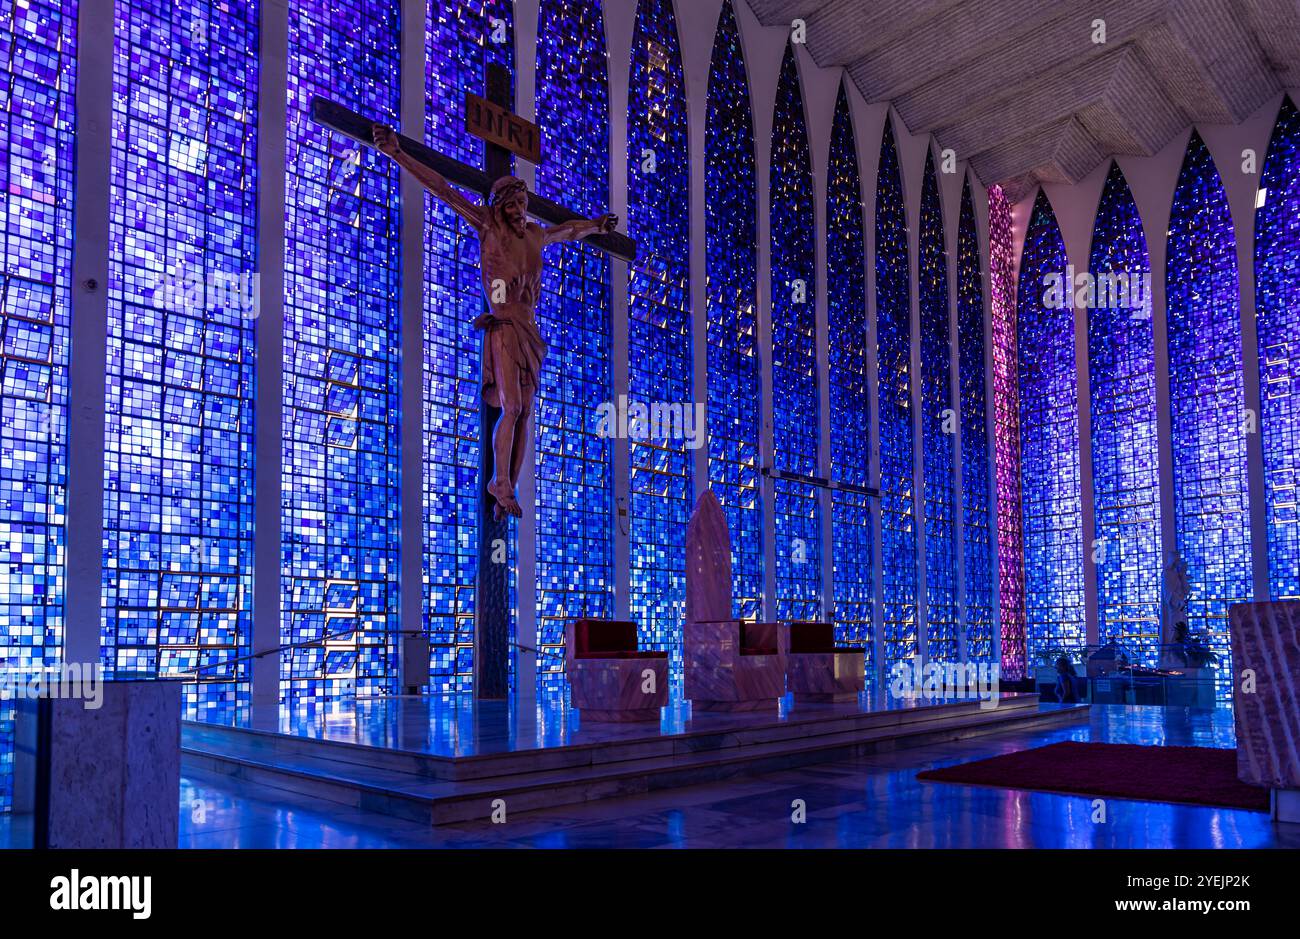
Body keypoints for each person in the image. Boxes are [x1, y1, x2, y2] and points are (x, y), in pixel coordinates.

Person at [371, 123, 618, 519]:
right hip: (502, 326)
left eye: (523, 204)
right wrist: (397, 153)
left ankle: (509, 484)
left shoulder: (536, 236)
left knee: (526, 412)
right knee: (513, 407)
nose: (520, 212)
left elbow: (567, 231)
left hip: (529, 332)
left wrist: (595, 226)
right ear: (500, 205)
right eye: (512, 205)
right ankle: (498, 480)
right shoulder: (488, 227)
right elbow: (443, 190)